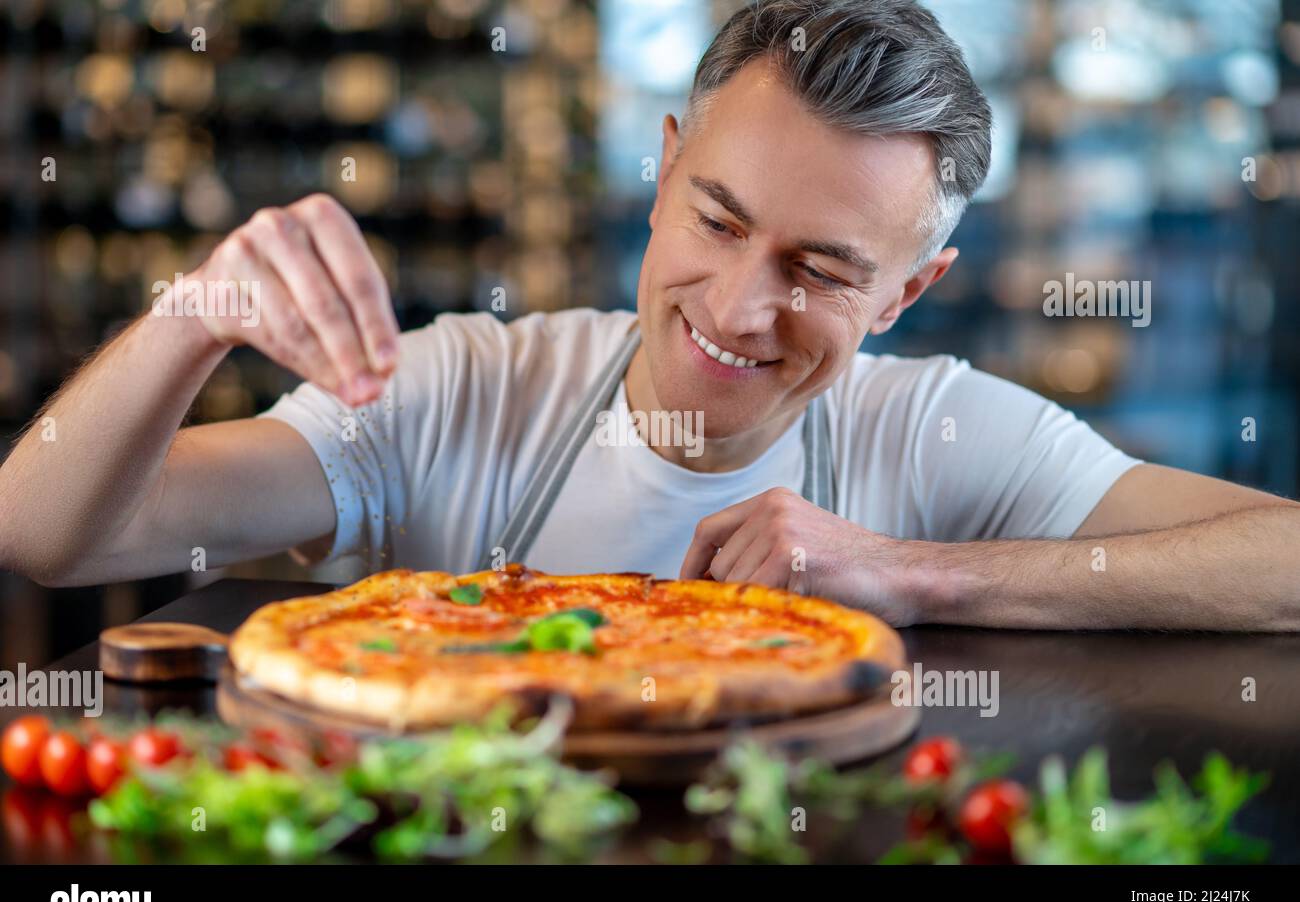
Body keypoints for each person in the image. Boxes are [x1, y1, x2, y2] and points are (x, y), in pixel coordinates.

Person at [2, 0, 1296, 630]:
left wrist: (923, 569)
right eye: (719, 220)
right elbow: (44, 532)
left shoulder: (949, 436)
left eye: (824, 269)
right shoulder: (458, 390)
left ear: (908, 293)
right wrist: (195, 314)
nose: (740, 307)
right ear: (665, 167)